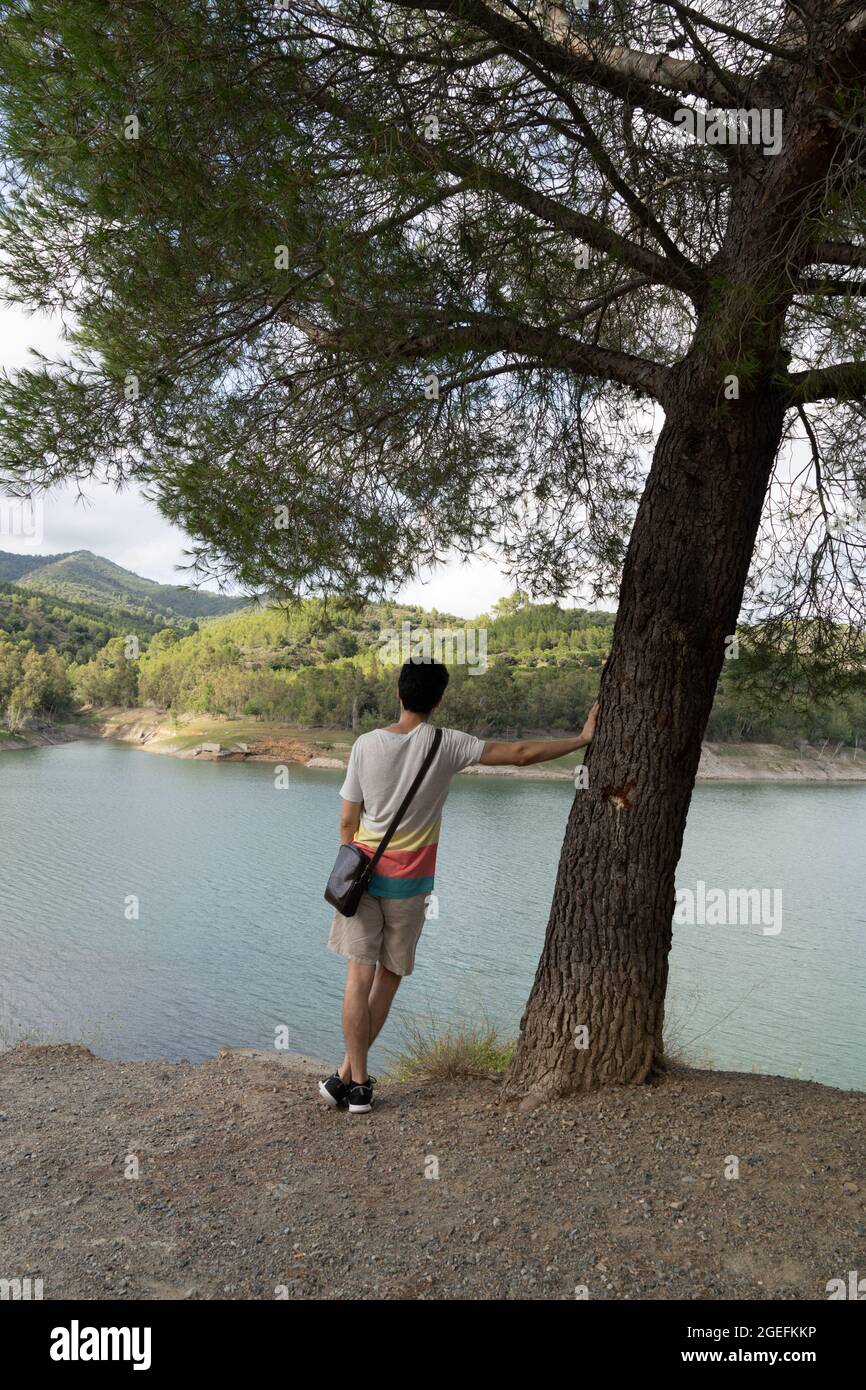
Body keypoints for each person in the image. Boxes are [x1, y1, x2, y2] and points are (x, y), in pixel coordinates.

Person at [319, 660, 599, 1112]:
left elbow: (349, 819)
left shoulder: (365, 745)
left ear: (399, 694)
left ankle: (351, 1080)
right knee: (387, 979)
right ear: (439, 700)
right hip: (409, 883)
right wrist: (582, 740)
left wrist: (353, 858)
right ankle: (356, 1084)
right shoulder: (448, 744)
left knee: (357, 977)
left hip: (361, 875)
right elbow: (520, 754)